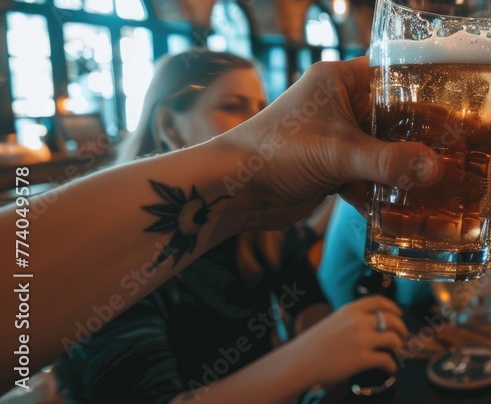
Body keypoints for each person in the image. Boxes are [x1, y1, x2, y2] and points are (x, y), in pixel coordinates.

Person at [1, 54, 443, 387]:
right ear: (168, 126)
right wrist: (308, 358)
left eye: (265, 108)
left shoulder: (264, 228)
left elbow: (306, 299)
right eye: (234, 106)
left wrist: (345, 333)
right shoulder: (124, 252)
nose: (258, 122)